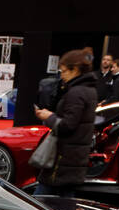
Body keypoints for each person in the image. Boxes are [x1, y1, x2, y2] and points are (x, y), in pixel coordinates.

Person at [31, 47, 100, 199]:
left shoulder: (77, 92)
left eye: (63, 71)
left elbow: (67, 125)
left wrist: (48, 116)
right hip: (73, 159)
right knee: (65, 205)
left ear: (74, 70)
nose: (61, 75)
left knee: (39, 203)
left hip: (62, 159)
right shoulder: (89, 90)